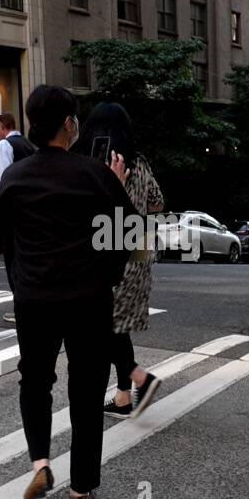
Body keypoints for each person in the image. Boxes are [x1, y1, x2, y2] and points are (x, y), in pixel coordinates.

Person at [0, 85, 138, 499]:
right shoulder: (93, 174)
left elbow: (9, 245)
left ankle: (40, 461)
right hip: (87, 298)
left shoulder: (13, 178)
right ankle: (80, 489)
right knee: (86, 389)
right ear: (69, 125)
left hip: (34, 298)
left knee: (35, 381)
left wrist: (22, 286)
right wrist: (105, 277)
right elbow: (127, 235)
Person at [73, 102, 165, 419]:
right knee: (116, 324)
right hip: (138, 248)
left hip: (107, 252)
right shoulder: (139, 164)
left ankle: (140, 378)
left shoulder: (93, 164)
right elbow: (158, 204)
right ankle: (124, 396)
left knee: (103, 325)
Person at [0, 113, 36, 324]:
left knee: (12, 261)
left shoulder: (4, 147)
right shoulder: (28, 145)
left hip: (12, 212)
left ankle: (21, 308)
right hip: (31, 212)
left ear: (1, 126)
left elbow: (1, 181)